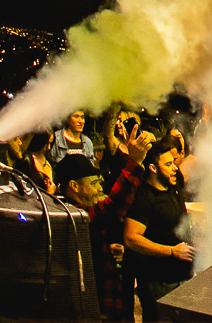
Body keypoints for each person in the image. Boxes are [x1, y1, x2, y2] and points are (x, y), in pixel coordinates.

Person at [58, 124, 156, 320]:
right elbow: (112, 207)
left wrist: (103, 247)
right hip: (94, 310)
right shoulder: (71, 215)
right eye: (93, 183)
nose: (97, 190)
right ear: (74, 186)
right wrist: (135, 161)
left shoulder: (75, 213)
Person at [123, 143, 193, 321]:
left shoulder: (173, 187)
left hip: (182, 277)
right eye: (168, 165)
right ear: (153, 168)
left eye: (174, 163)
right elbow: (131, 238)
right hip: (159, 281)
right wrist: (171, 251)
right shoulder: (145, 198)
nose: (175, 168)